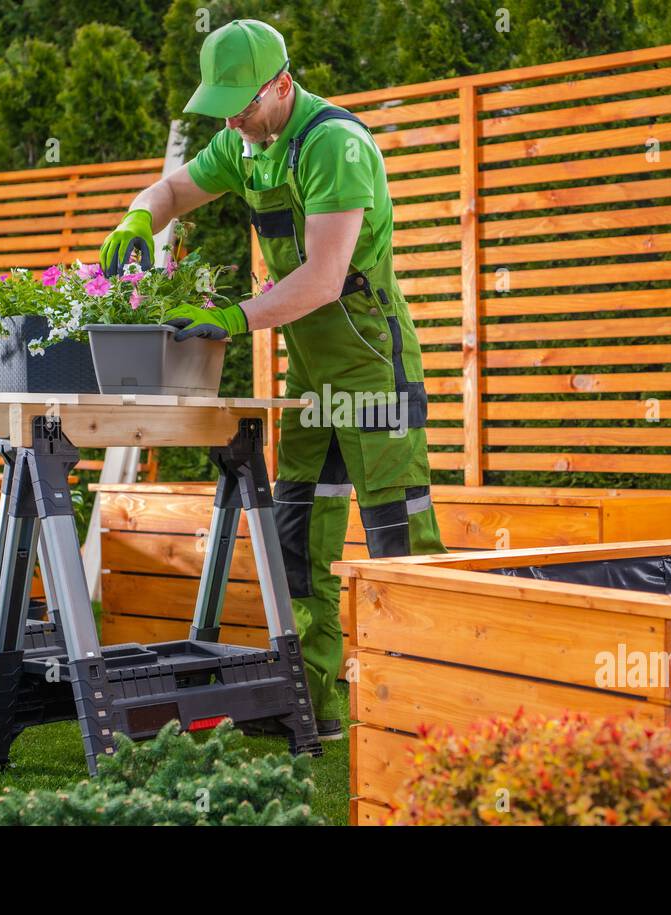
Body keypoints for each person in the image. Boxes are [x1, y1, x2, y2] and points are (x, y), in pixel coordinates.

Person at [99, 19, 444, 741]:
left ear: (282, 83)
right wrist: (139, 216)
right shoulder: (243, 143)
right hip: (312, 375)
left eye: (243, 105)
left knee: (397, 540)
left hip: (371, 364)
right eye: (223, 108)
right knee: (299, 532)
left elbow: (321, 279)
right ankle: (313, 707)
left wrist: (229, 316)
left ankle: (427, 721)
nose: (233, 121)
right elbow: (172, 189)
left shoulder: (334, 146)